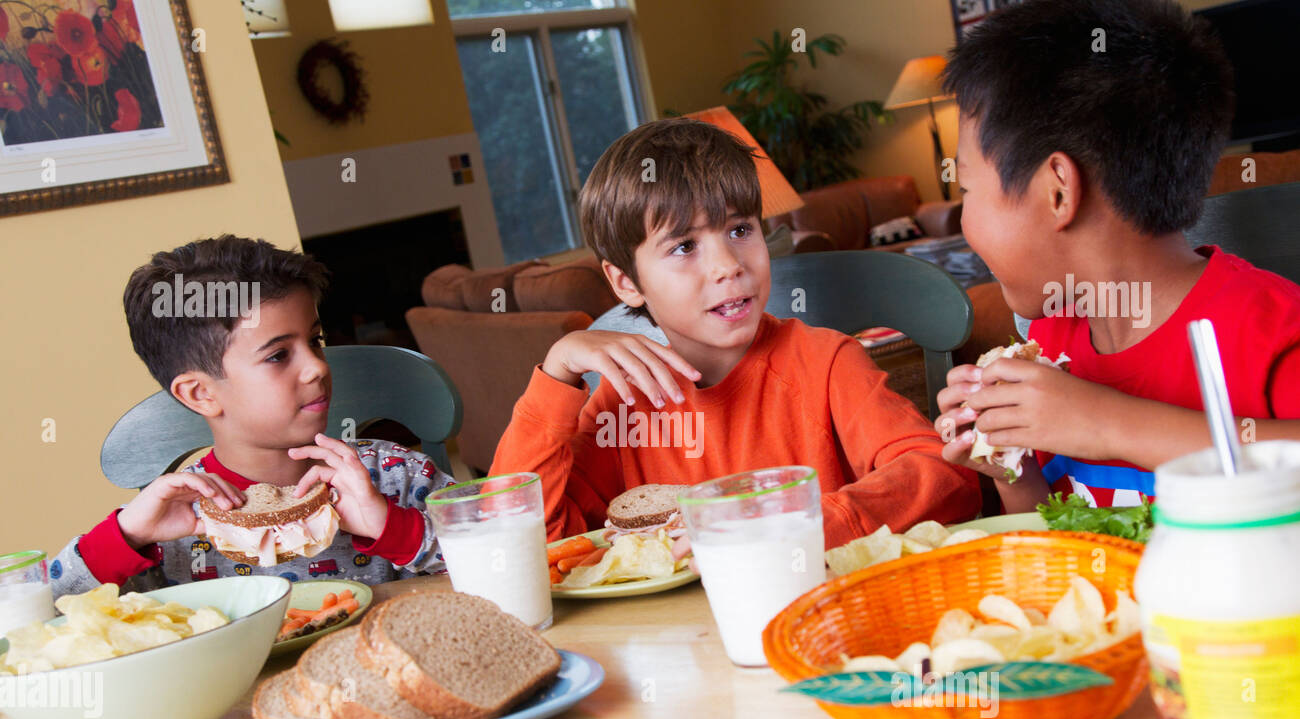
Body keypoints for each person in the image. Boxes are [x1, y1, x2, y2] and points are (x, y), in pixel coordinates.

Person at [490, 118, 980, 548]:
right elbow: (516, 538)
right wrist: (556, 374)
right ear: (625, 282)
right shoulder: (623, 404)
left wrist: (787, 524)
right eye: (684, 246)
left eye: (740, 230)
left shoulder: (826, 363)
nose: (728, 265)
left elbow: (944, 476)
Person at [935, 0, 1300, 511]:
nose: (964, 221)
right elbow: (1060, 543)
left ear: (1058, 191)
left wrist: (1108, 423)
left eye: (967, 189)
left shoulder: (1272, 332)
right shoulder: (1051, 341)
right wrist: (1013, 469)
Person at [49, 236, 454, 599]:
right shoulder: (173, 523)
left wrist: (393, 525)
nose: (316, 367)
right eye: (278, 355)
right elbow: (38, 616)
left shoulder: (396, 476)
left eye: (315, 341)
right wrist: (127, 535)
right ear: (201, 393)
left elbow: (505, 562)